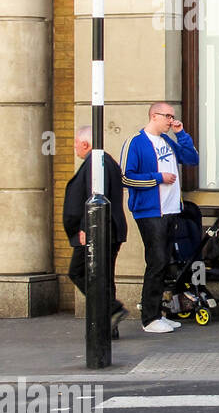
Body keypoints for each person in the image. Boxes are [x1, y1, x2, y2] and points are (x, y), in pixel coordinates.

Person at [121, 102, 200, 333]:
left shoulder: (168, 142)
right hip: (150, 212)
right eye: (168, 117)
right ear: (154, 116)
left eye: (172, 117)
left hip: (171, 210)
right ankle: (149, 318)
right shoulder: (136, 143)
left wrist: (181, 134)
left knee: (165, 262)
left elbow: (191, 158)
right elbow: (127, 177)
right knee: (156, 262)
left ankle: (158, 313)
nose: (171, 120)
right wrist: (158, 177)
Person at [64, 126, 128, 336]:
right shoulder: (104, 161)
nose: (74, 147)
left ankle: (111, 309)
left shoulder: (96, 162)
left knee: (79, 272)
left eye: (75, 143)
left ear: (85, 144)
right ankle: (108, 326)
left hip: (97, 230)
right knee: (104, 276)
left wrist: (85, 227)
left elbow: (96, 194)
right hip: (106, 229)